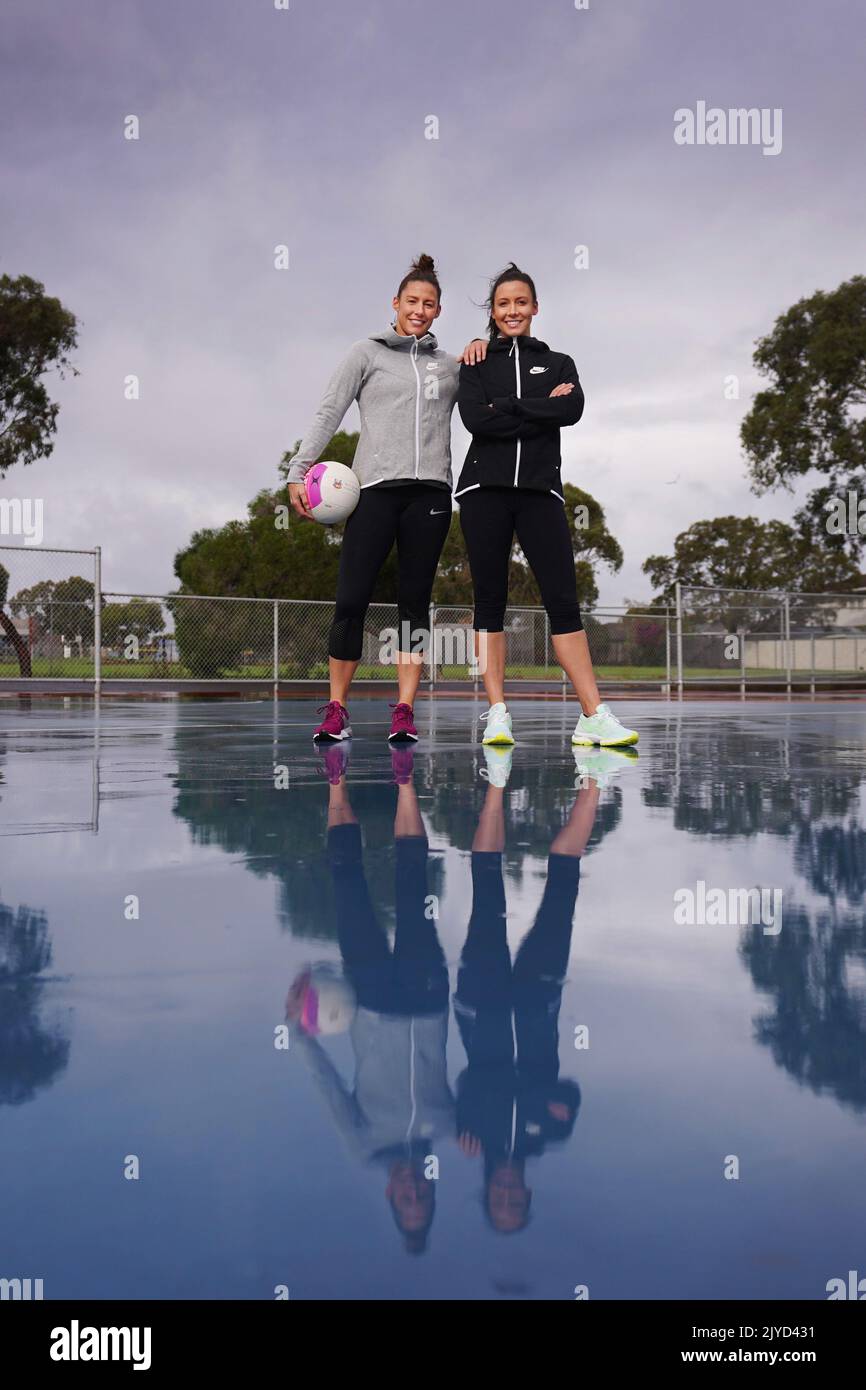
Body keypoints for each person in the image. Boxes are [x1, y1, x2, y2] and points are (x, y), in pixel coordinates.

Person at [287, 254, 473, 744]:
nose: (419, 309)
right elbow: (329, 410)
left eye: (429, 304)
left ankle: (405, 710)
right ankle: (336, 709)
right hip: (372, 492)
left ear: (438, 311)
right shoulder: (364, 354)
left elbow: (490, 386)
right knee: (350, 601)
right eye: (412, 300)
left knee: (414, 604)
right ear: (395, 303)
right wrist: (298, 470)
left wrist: (484, 347)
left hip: (430, 494)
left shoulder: (449, 367)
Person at [455, 262, 638, 749]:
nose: (512, 310)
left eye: (520, 302)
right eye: (503, 303)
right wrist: (538, 409)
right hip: (482, 491)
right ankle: (497, 713)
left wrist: (510, 406)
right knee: (488, 602)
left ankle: (592, 715)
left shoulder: (559, 363)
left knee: (563, 601)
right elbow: (477, 421)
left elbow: (572, 409)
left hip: (541, 493)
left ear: (534, 307)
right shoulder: (473, 362)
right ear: (492, 313)